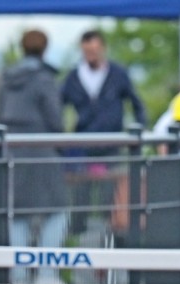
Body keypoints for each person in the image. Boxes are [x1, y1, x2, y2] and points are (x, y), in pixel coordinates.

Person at [0, 29, 68, 284]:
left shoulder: (8, 78)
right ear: (44, 48)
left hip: (12, 153)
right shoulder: (44, 78)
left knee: (18, 213)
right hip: (42, 152)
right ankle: (47, 274)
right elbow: (55, 119)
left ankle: (18, 274)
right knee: (58, 210)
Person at [61, 30, 146, 235]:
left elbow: (136, 104)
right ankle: (78, 236)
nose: (91, 54)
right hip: (82, 147)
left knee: (111, 197)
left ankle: (112, 239)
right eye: (87, 50)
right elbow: (58, 107)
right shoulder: (73, 77)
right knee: (80, 197)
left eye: (95, 49)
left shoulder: (117, 74)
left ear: (103, 49)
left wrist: (138, 131)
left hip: (111, 145)